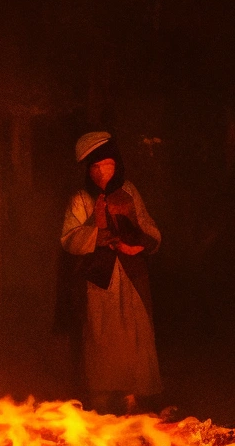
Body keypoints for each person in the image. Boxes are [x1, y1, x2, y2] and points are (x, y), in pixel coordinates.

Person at [55, 132, 162, 412]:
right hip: (99, 281)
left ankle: (134, 398)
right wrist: (97, 232)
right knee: (102, 337)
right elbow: (69, 238)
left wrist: (137, 243)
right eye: (95, 167)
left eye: (107, 164)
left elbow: (149, 229)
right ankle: (102, 398)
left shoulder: (130, 191)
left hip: (131, 278)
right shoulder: (81, 199)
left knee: (134, 335)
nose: (102, 171)